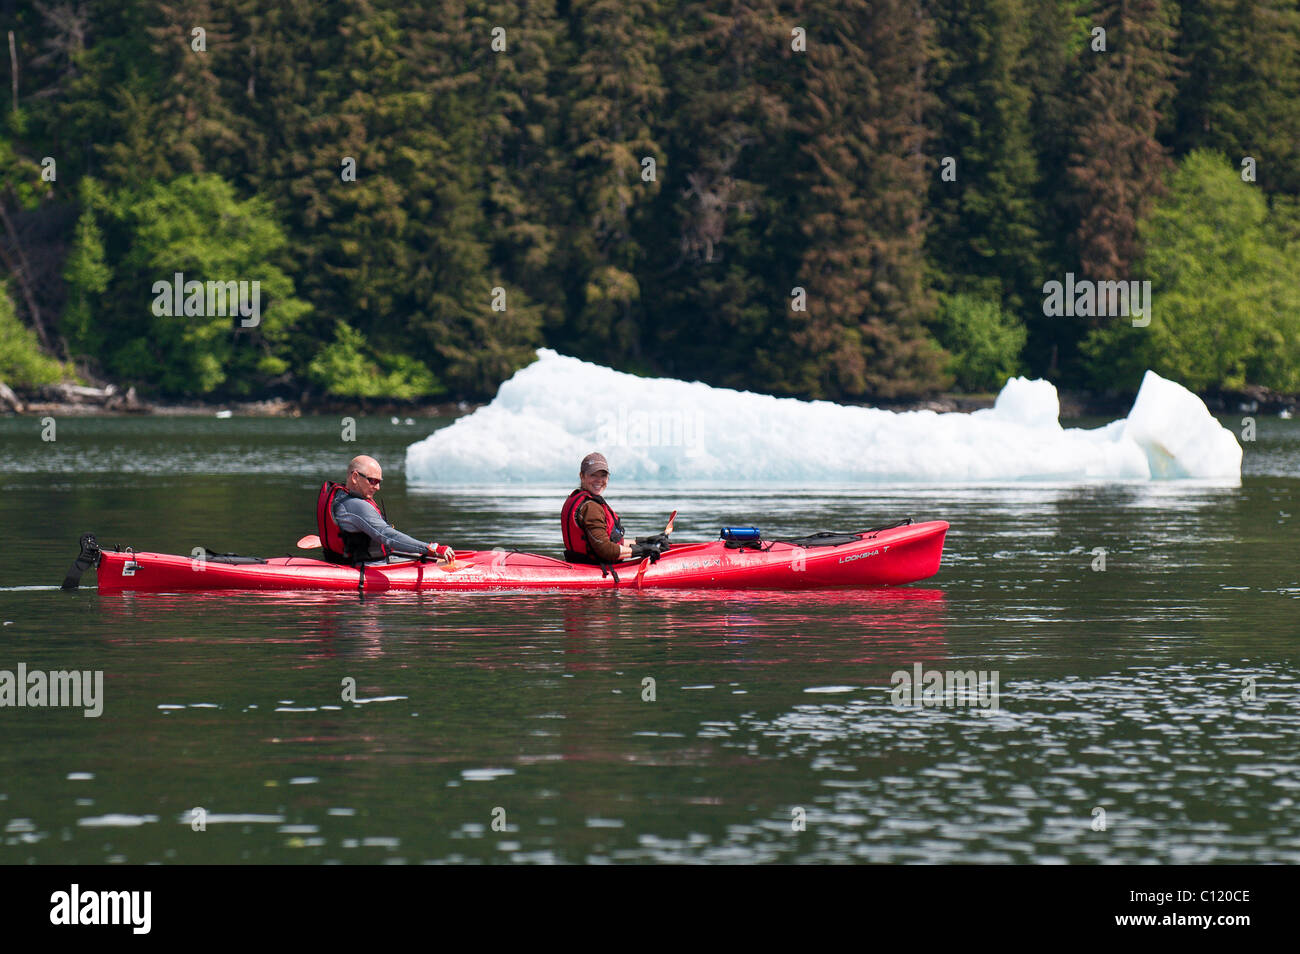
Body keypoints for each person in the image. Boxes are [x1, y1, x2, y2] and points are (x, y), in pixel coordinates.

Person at [316, 455, 454, 565]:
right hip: (367, 565)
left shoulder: (340, 496)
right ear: (355, 477)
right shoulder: (357, 506)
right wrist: (432, 549)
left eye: (379, 482)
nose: (377, 487)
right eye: (373, 481)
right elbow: (387, 536)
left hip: (341, 560)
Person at [561, 452, 668, 566]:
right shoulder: (591, 507)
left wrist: (645, 541)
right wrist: (641, 551)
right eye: (593, 475)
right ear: (582, 476)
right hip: (593, 568)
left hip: (579, 564)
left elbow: (609, 542)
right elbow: (606, 550)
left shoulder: (579, 499)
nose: (599, 480)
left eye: (603, 475)